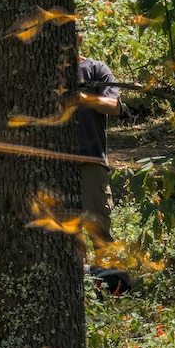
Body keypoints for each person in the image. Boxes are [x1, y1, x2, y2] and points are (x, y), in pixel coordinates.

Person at [76, 28, 121, 247]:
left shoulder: (95, 69)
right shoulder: (42, 70)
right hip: (55, 165)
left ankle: (110, 281)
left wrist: (84, 99)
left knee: (100, 235)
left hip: (91, 163)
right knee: (65, 240)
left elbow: (114, 106)